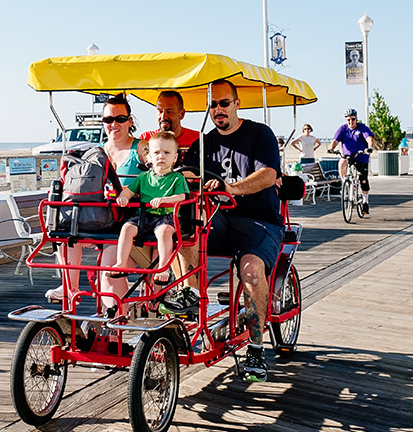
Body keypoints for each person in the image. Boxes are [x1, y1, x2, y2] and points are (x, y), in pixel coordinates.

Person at [178, 79, 284, 382]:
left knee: (250, 271)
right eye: (213, 104)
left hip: (258, 219)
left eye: (224, 103)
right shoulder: (203, 143)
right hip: (219, 218)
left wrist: (232, 188)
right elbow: (185, 173)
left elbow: (267, 175)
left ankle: (255, 347)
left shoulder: (259, 134)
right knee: (181, 227)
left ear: (237, 104)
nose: (218, 110)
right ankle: (192, 297)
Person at [45, 94, 144, 306]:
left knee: (108, 277)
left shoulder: (142, 149)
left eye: (120, 118)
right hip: (96, 218)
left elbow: (157, 180)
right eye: (108, 120)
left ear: (130, 121)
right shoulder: (94, 152)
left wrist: (130, 191)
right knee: (67, 234)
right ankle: (69, 288)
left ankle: (117, 321)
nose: (114, 124)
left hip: (126, 223)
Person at [112, 132, 188, 285]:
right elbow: (129, 190)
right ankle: (121, 263)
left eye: (166, 153)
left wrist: (164, 200)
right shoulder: (143, 177)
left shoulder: (177, 178)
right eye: (156, 152)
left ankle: (163, 267)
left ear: (174, 158)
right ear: (149, 158)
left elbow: (182, 197)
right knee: (127, 228)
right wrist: (124, 197)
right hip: (144, 215)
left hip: (166, 215)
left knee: (164, 231)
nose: (161, 156)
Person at [330, 109, 376, 215]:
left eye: (353, 119)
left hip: (361, 156)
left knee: (363, 180)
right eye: (348, 120)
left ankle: (365, 201)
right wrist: (331, 148)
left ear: (356, 119)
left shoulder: (362, 128)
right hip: (348, 156)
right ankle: (345, 182)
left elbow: (369, 138)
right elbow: (335, 140)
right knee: (342, 163)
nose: (351, 122)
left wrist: (370, 148)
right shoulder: (343, 129)